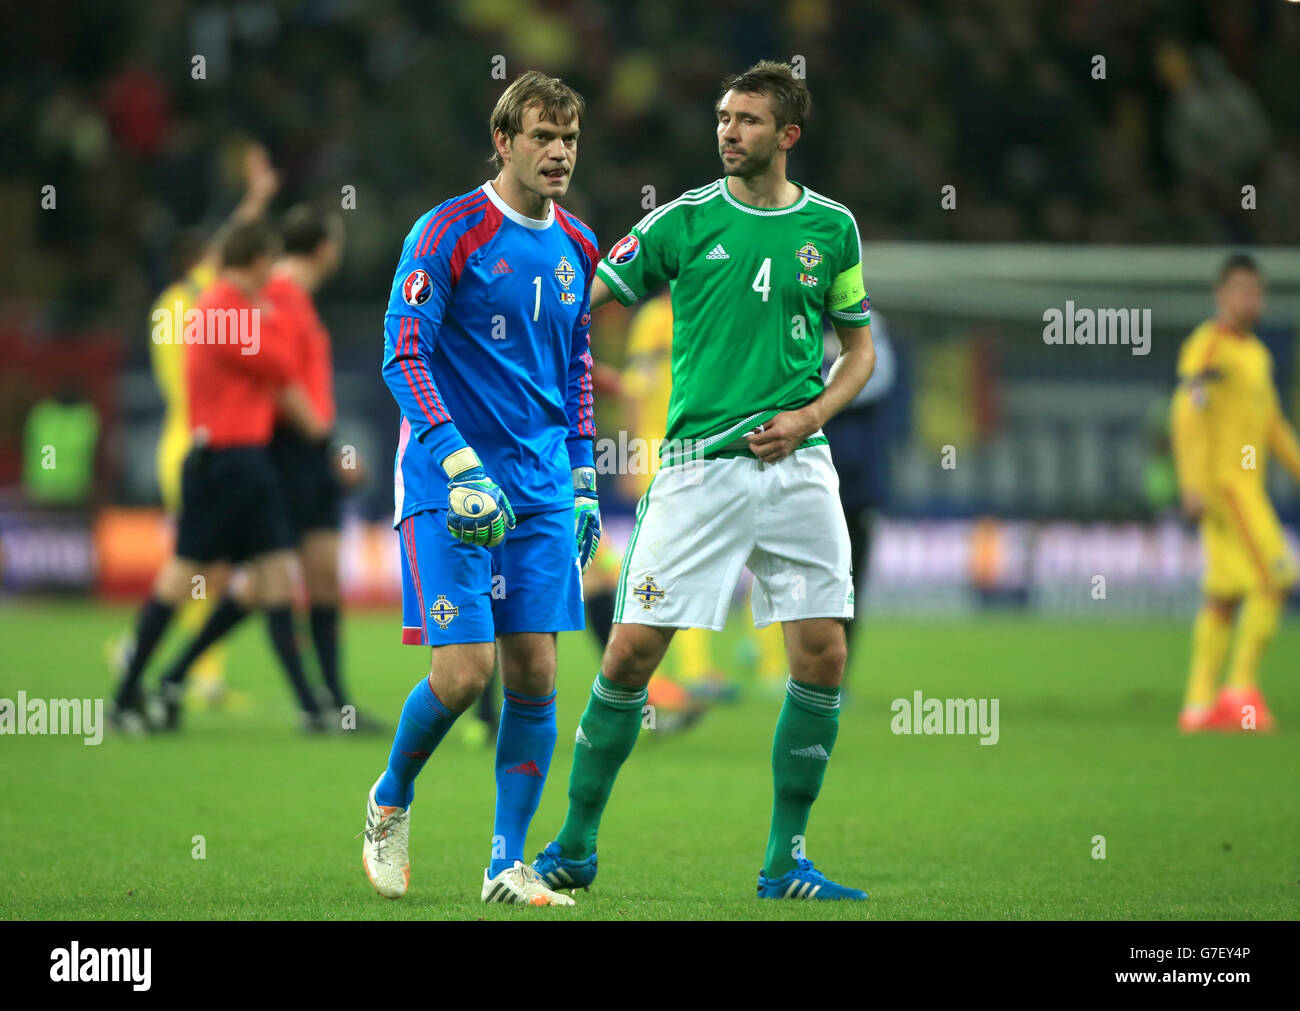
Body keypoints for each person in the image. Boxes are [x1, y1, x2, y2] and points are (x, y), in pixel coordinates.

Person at [533, 61, 875, 901]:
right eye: (724, 117)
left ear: (788, 135)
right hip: (698, 472)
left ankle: (784, 859)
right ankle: (575, 844)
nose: (729, 132)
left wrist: (810, 417)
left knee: (823, 655)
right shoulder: (683, 221)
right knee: (629, 653)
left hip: (799, 469)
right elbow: (587, 300)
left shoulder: (833, 229)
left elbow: (858, 349)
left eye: (749, 120)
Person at [360, 71, 599, 907]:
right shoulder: (449, 231)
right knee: (464, 675)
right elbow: (403, 351)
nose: (559, 151)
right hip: (446, 480)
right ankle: (390, 799)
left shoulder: (579, 244)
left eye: (569, 137)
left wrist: (583, 479)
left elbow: (574, 369)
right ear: (504, 141)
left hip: (538, 488)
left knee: (535, 673)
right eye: (542, 135)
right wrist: (459, 462)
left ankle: (506, 861)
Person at [110, 222, 330, 732]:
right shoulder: (224, 309)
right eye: (266, 266)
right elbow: (280, 363)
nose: (270, 278)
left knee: (275, 576)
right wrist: (273, 317)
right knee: (182, 575)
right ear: (255, 261)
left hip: (244, 463)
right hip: (224, 462)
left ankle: (310, 707)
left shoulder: (223, 306)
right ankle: (125, 696)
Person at [1171, 253, 1299, 733]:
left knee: (1223, 595)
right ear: (1220, 295)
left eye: (1259, 291)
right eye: (1243, 290)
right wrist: (1191, 482)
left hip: (1245, 486)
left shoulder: (1257, 356)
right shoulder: (1209, 347)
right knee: (1277, 576)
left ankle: (1198, 705)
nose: (1253, 300)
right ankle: (1241, 694)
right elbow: (1188, 410)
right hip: (1226, 487)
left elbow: (1274, 428)